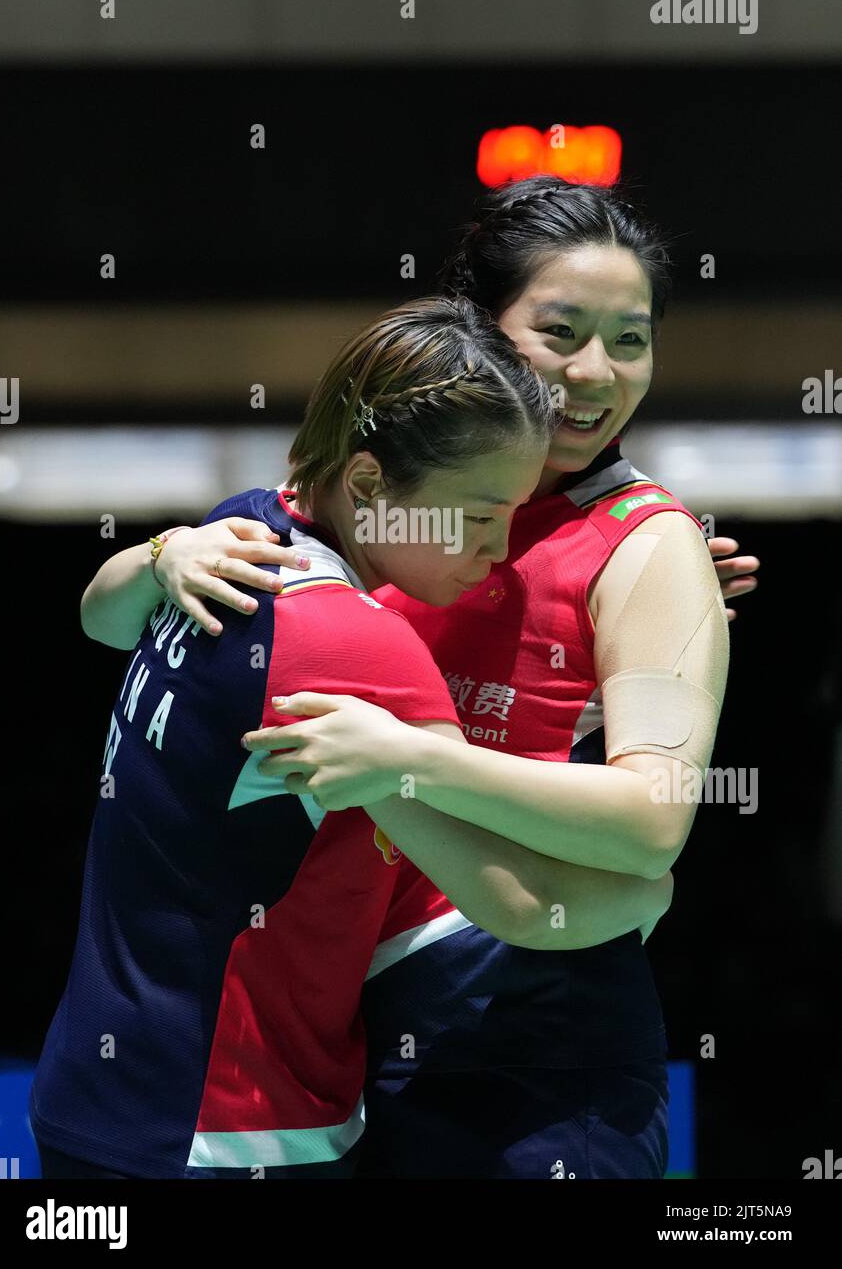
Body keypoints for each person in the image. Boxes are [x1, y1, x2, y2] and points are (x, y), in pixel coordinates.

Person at [30, 295, 672, 1180]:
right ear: (370, 486)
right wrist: (649, 892)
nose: (499, 550)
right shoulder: (353, 647)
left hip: (91, 1095)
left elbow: (99, 620)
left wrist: (162, 549)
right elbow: (515, 903)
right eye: (481, 516)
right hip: (233, 1126)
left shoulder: (243, 528)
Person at [236, 177, 749, 1178]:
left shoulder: (645, 542)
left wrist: (405, 763)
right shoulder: (385, 491)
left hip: (530, 1027)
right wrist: (162, 560)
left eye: (629, 338)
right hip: (336, 1010)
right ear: (478, 325)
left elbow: (654, 817)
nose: (594, 373)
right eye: (559, 330)